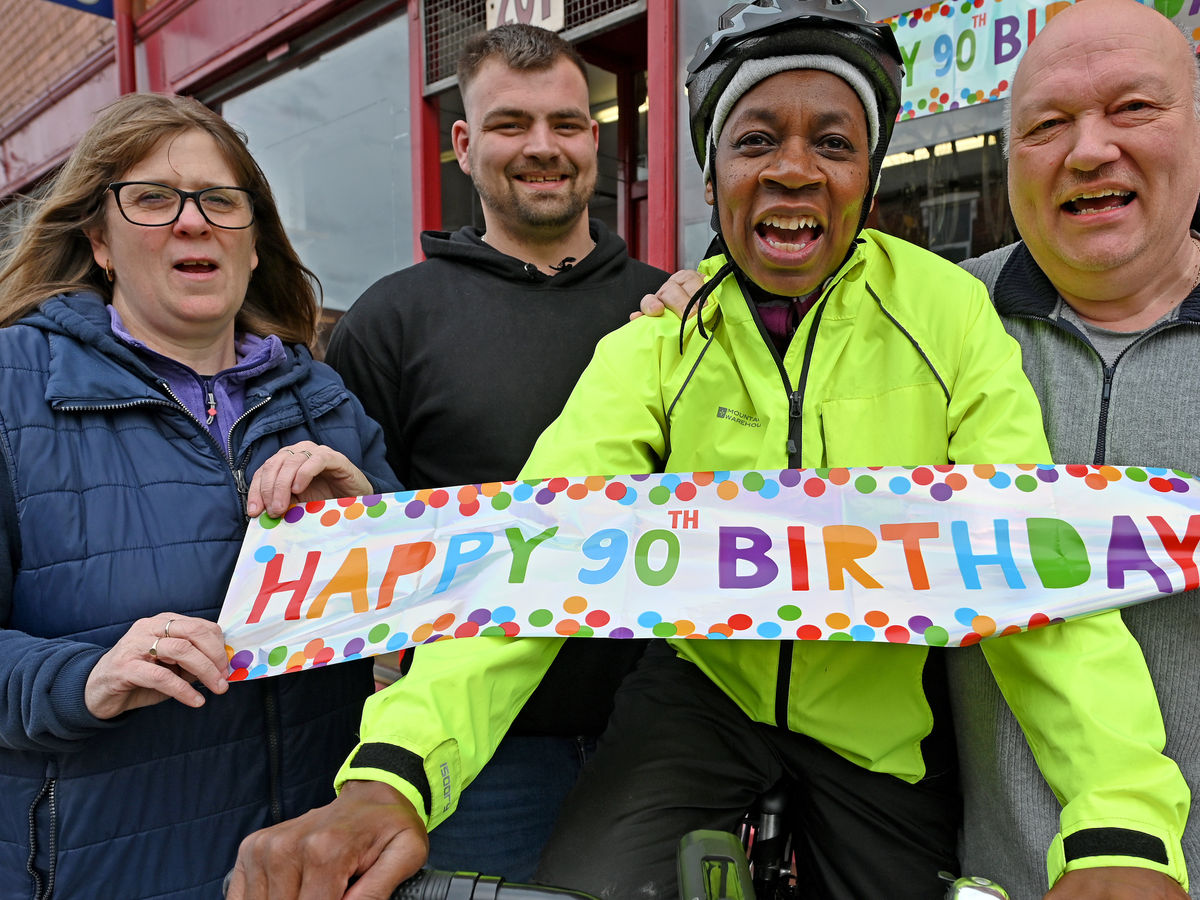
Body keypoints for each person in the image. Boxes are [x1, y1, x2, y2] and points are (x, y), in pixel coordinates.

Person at [229, 2, 1185, 898]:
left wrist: (1121, 825)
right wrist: (391, 776)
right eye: (756, 140)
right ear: (712, 168)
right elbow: (531, 555)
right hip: (699, 694)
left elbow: (1033, 564)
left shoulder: (950, 314)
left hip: (879, 726)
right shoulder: (658, 341)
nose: (794, 170)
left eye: (835, 142)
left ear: (871, 170)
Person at [0, 92, 398, 900]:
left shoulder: (324, 399)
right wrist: (81, 679)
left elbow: (426, 643)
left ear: (254, 247)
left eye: (221, 200)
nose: (193, 222)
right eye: (152, 199)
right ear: (99, 242)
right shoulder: (11, 390)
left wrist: (377, 536)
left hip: (306, 872)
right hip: (100, 871)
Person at [321, 24, 666, 879]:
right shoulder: (390, 321)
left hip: (662, 744)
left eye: (566, 122)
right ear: (466, 147)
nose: (542, 148)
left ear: (597, 136)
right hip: (475, 763)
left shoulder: (675, 308)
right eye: (511, 125)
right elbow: (355, 536)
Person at [950, 1, 1200, 897]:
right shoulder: (924, 327)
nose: (1088, 150)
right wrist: (696, 315)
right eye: (1046, 125)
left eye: (1134, 108)